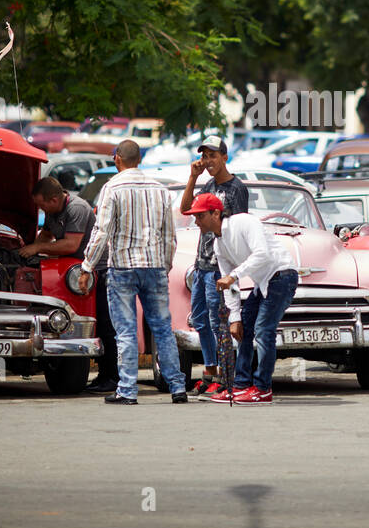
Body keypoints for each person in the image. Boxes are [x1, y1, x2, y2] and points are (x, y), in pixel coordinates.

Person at [80, 139, 187, 405]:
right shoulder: (160, 190)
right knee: (162, 329)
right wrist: (165, 265)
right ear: (139, 159)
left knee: (125, 332)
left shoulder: (111, 187)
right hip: (154, 267)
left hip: (123, 268)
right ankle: (177, 387)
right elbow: (168, 236)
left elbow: (101, 231)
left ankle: (127, 390)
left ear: (117, 158)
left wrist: (87, 266)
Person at [186, 192, 299, 405]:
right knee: (243, 330)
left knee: (264, 331)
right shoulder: (219, 245)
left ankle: (263, 389)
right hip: (264, 281)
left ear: (216, 213)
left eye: (200, 215)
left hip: (282, 275)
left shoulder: (244, 221)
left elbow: (261, 254)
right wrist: (235, 318)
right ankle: (240, 385)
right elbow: (231, 286)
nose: (196, 221)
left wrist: (233, 276)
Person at [24, 176, 117, 393]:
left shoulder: (77, 209)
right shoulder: (52, 212)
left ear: (54, 199)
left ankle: (111, 377)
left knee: (104, 325)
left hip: (98, 272)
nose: (40, 210)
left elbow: (71, 245)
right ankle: (104, 377)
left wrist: (36, 249)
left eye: (41, 205)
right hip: (75, 273)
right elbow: (45, 236)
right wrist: (27, 249)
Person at [179, 134, 249, 398]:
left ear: (224, 157)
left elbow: (239, 228)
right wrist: (192, 178)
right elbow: (186, 209)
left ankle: (224, 374)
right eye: (204, 156)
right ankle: (210, 371)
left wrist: (232, 271)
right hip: (201, 263)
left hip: (220, 264)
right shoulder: (207, 184)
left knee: (218, 320)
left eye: (213, 155)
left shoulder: (236, 188)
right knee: (199, 319)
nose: (208, 161)